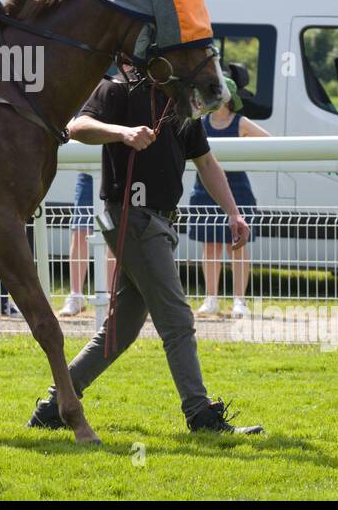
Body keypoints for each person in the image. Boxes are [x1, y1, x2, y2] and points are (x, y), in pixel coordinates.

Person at [25, 70, 265, 435]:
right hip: (133, 221)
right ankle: (200, 415)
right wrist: (122, 133)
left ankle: (56, 406)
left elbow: (205, 161)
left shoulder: (181, 99)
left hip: (158, 223)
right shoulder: (118, 89)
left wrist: (233, 212)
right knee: (178, 319)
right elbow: (78, 126)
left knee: (120, 329)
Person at [190, 76, 270, 317]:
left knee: (236, 246)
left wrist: (243, 154)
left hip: (238, 190)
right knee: (211, 246)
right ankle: (211, 299)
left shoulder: (241, 122)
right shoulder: (200, 122)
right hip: (205, 189)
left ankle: (239, 301)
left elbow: (270, 142)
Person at [60, 173, 116, 317]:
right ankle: (76, 296)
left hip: (114, 173)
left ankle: (112, 297)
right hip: (88, 174)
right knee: (80, 233)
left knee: (112, 234)